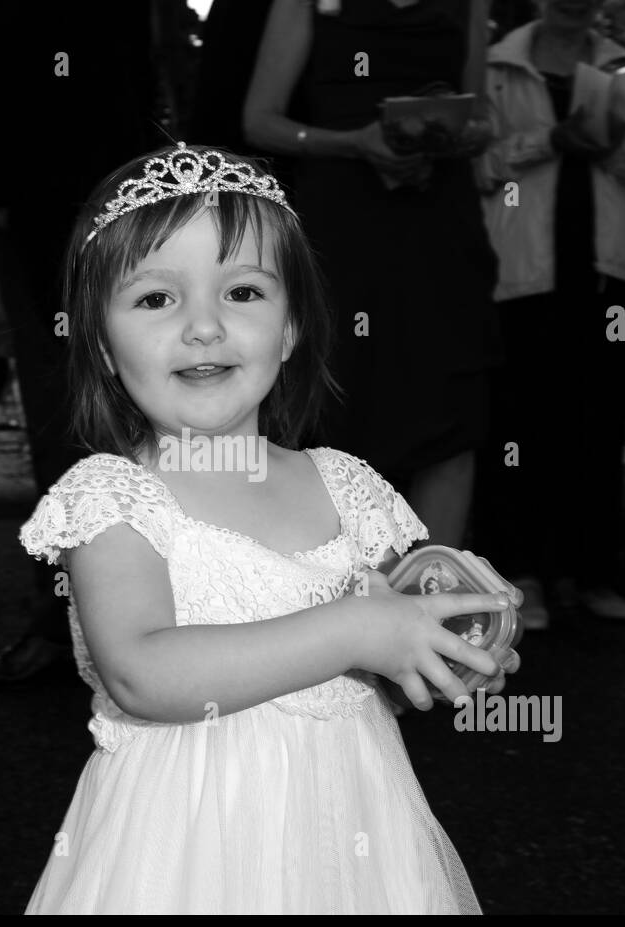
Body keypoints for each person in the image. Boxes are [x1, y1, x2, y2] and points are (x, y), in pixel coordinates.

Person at [17, 143, 521, 913]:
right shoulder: (113, 499)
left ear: (289, 330)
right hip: (186, 851)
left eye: (243, 291)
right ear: (103, 348)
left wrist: (439, 645)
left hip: (353, 840)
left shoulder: (348, 487)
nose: (204, 327)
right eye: (156, 300)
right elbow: (141, 674)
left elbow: (380, 671)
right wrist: (354, 630)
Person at [243, 0, 504, 552]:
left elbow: (482, 117)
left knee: (449, 405)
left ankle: (434, 605)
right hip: (343, 226)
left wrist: (458, 133)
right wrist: (352, 142)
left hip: (441, 221)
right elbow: (260, 121)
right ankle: (338, 601)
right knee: (340, 397)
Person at [0, 0, 158, 683]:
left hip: (56, 194)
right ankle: (117, 620)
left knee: (71, 412)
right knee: (123, 407)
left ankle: (70, 626)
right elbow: (141, 65)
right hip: (113, 189)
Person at [472, 0, 625, 628]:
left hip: (609, 273)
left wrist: (610, 148)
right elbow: (474, 168)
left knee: (599, 421)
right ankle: (520, 574)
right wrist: (552, 139)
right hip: (521, 270)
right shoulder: (493, 66)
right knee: (517, 428)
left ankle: (590, 575)